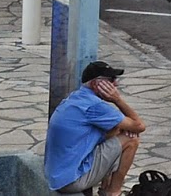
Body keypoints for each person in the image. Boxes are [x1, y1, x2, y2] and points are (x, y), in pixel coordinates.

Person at [44, 60, 144, 196]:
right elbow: (139, 126)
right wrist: (117, 100)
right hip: (71, 181)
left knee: (117, 132)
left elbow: (112, 132)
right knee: (131, 140)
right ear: (95, 84)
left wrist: (122, 130)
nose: (116, 84)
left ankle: (105, 188)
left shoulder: (76, 97)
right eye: (111, 80)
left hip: (57, 176)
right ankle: (113, 192)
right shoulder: (93, 106)